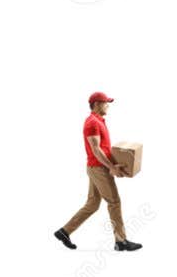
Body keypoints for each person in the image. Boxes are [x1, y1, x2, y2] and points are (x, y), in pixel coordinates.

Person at [54, 92, 142, 252]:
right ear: (96, 104)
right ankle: (121, 241)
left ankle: (64, 231)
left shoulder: (99, 121)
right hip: (99, 169)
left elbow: (103, 148)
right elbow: (96, 149)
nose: (108, 105)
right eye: (105, 102)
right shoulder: (92, 123)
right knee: (114, 202)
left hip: (97, 168)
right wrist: (112, 167)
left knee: (93, 204)